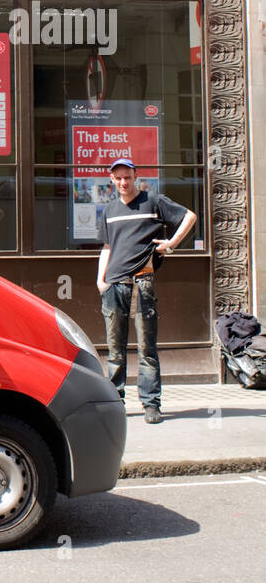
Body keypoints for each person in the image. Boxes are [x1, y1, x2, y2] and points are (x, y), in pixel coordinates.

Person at [95, 157, 197, 424]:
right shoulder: (109, 209)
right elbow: (107, 247)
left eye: (127, 177)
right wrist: (100, 279)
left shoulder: (153, 202)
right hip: (114, 284)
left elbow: (189, 216)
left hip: (143, 283)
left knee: (146, 348)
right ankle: (116, 403)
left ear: (135, 176)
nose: (123, 182)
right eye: (118, 178)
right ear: (112, 180)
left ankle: (151, 403)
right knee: (115, 349)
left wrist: (171, 244)